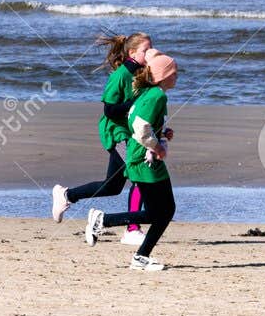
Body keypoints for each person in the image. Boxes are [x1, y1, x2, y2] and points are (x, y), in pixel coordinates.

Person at [50, 32, 153, 246]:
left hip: (132, 132)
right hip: (118, 132)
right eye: (146, 50)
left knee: (112, 187)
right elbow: (109, 110)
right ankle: (132, 229)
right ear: (132, 53)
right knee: (139, 175)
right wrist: (131, 106)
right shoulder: (120, 76)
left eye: (152, 49)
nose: (150, 53)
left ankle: (67, 195)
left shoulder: (143, 74)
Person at [121, 50, 179, 272]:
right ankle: (103, 221)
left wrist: (162, 133)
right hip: (144, 158)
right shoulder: (157, 96)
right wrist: (156, 147)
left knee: (163, 211)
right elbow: (140, 128)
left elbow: (136, 119)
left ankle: (141, 256)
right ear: (163, 75)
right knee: (163, 211)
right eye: (174, 72)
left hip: (144, 156)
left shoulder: (150, 93)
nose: (177, 76)